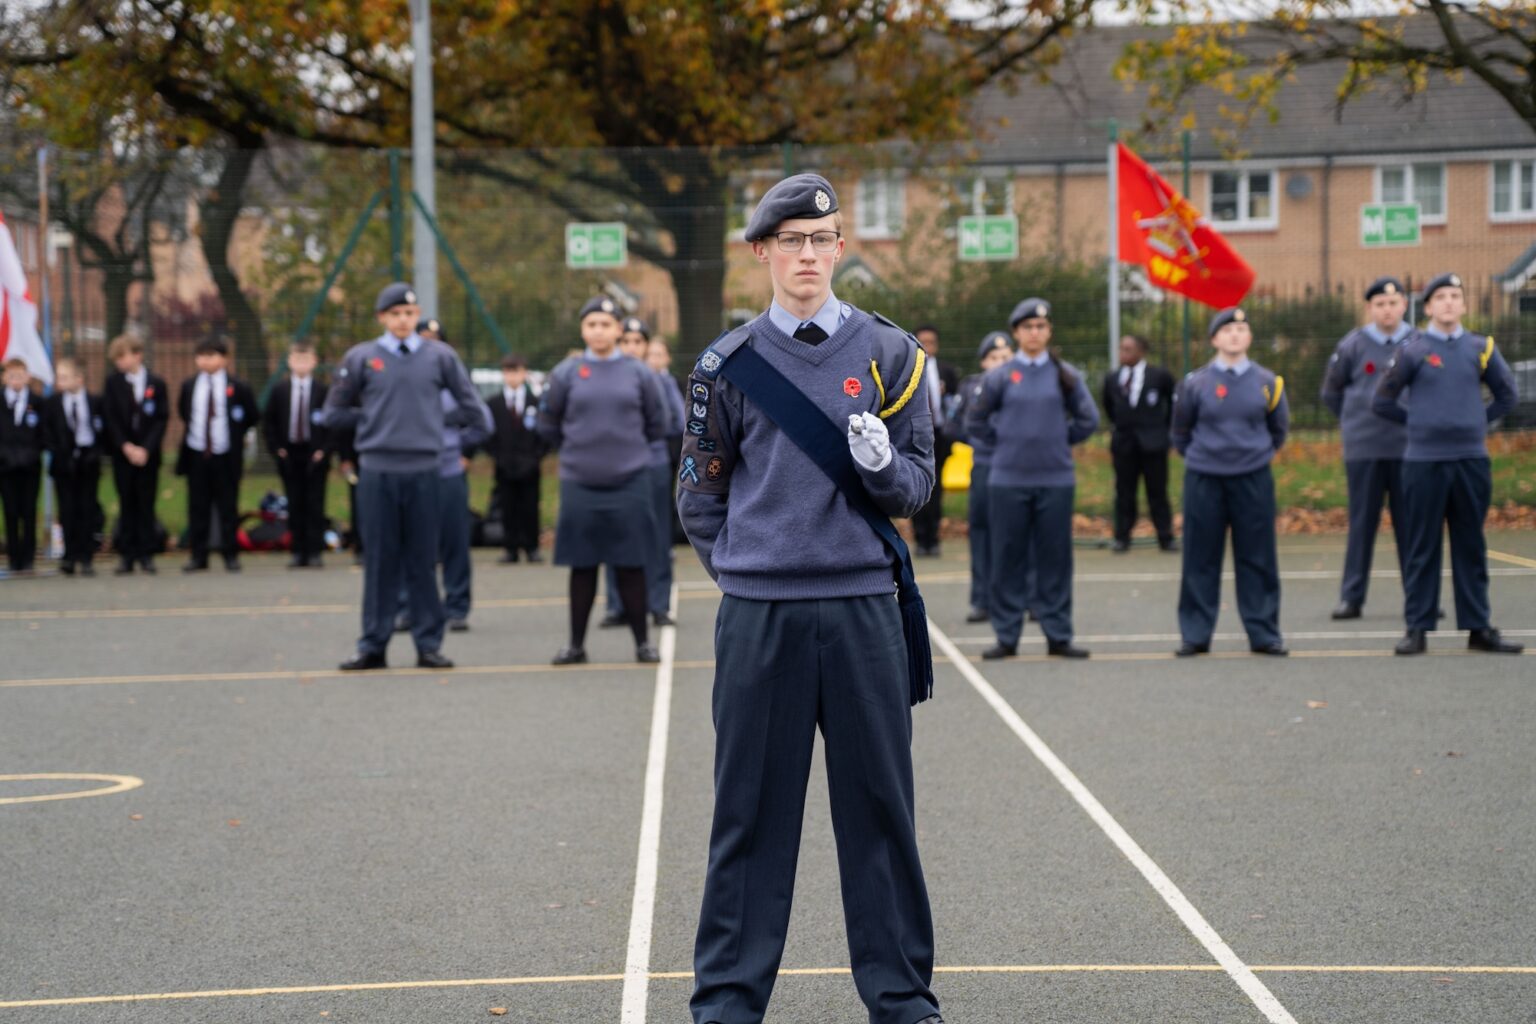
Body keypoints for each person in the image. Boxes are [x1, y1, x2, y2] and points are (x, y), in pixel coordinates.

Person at [677, 174, 943, 1024]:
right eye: (788, 241)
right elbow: (699, 494)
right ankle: (727, 1003)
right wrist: (753, 571)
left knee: (880, 816)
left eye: (819, 241)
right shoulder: (724, 365)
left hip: (865, 608)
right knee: (749, 819)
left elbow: (916, 487)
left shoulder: (892, 354)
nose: (805, 256)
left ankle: (902, 999)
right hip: (761, 616)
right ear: (763, 251)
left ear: (838, 250)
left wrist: (879, 469)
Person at [322, 281, 485, 671]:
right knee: (379, 558)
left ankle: (428, 643)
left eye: (409, 314)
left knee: (423, 558)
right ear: (382, 317)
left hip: (425, 471)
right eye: (395, 314)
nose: (402, 320)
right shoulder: (362, 357)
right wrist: (375, 421)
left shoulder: (439, 357)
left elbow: (474, 411)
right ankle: (373, 644)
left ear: (417, 316)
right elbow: (333, 413)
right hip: (378, 471)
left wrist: (440, 431)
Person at [1373, 272, 1522, 656]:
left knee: (1471, 545)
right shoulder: (1413, 350)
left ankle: (1478, 628)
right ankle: (1417, 628)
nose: (1449, 303)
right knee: (1423, 546)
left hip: (1471, 460)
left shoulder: (1481, 347)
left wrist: (1476, 419)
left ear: (1464, 304)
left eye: (1456, 295)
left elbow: (1507, 394)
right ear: (1428, 307)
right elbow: (1383, 401)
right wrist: (1421, 423)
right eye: (1441, 296)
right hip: (1424, 462)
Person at [538, 296, 669, 665]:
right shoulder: (566, 373)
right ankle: (576, 645)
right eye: (592, 324)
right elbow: (549, 423)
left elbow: (655, 422)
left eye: (606, 324)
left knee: (632, 563)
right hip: (580, 482)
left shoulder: (638, 372)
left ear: (617, 330)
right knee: (582, 566)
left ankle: (642, 642)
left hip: (630, 482)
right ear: (583, 329)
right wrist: (579, 450)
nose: (599, 331)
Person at [965, 298, 1098, 660]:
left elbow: (1088, 418)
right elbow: (976, 420)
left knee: (1055, 557)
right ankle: (1006, 636)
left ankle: (1058, 634)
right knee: (1008, 556)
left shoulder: (1064, 374)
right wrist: (1006, 442)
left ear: (1049, 331)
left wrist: (1058, 439)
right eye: (1027, 328)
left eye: (1040, 327)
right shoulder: (1001, 376)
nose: (1034, 333)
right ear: (1017, 333)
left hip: (1055, 479)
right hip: (1008, 480)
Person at [1171, 307, 1290, 657]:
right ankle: (1195, 634)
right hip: (1205, 479)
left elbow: (1278, 430)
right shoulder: (1195, 383)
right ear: (1214, 338)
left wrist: (1254, 455)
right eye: (1227, 329)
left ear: (1249, 336)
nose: (1235, 335)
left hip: (1252, 479)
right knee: (1200, 557)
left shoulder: (1269, 382)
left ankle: (1264, 632)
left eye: (1241, 328)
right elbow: (1180, 432)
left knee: (1258, 557)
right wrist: (1204, 457)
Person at [1318, 277, 1413, 618]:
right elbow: (1331, 393)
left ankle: (1417, 595)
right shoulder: (1352, 345)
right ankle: (1352, 597)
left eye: (1393, 303)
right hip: (1365, 450)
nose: (1387, 310)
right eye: (1379, 304)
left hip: (1409, 449)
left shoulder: (1418, 343)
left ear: (1404, 304)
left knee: (1411, 526)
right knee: (1362, 523)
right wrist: (1355, 422)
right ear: (1370, 308)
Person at [394, 318, 495, 634]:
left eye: (436, 339)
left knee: (454, 541)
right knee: (410, 542)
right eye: (424, 339)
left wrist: (457, 448)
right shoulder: (401, 379)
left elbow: (482, 423)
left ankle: (456, 608)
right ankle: (408, 607)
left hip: (447, 471)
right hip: (409, 471)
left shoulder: (456, 382)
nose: (431, 346)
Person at [603, 316, 684, 628]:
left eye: (638, 342)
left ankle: (658, 603)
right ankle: (617, 604)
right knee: (617, 534)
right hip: (614, 468)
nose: (632, 347)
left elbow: (677, 420)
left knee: (656, 535)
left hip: (651, 466)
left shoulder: (660, 381)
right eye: (627, 342)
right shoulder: (606, 377)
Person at [176, 337, 258, 573]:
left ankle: (230, 554)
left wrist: (236, 435)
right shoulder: (190, 385)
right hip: (197, 453)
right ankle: (198, 555)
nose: (206, 360)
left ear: (224, 359)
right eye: (201, 356)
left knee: (227, 507)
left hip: (225, 455)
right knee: (197, 506)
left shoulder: (238, 386)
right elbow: (184, 412)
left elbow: (251, 414)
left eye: (211, 355)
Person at [953, 330, 1013, 623]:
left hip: (1019, 468)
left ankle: (1025, 599)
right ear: (984, 362)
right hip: (986, 465)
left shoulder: (1023, 384)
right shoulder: (972, 388)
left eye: (1005, 357)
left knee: (1020, 534)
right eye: (994, 358)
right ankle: (983, 600)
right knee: (982, 532)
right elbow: (956, 425)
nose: (1000, 362)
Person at [1102, 333, 1177, 553]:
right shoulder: (1112, 378)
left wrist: (1165, 432)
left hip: (1153, 444)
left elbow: (1173, 404)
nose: (1123, 353)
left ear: (1141, 351)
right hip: (1124, 445)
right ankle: (1122, 536)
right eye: (1121, 348)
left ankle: (1165, 536)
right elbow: (1109, 406)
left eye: (1128, 349)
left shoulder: (1159, 376)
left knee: (1157, 491)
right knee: (1124, 491)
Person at [102, 334, 169, 575]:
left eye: (123, 356)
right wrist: (126, 446)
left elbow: (161, 418)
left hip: (148, 455)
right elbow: (110, 418)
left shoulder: (156, 383)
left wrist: (146, 448)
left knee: (145, 503)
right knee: (127, 502)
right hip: (124, 455)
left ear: (137, 355)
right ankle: (127, 555)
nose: (119, 362)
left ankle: (147, 553)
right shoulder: (113, 383)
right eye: (116, 359)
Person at [262, 341, 330, 568]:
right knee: (295, 502)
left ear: (314, 362)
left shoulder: (323, 391)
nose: (301, 364)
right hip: (289, 453)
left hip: (315, 454)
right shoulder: (279, 390)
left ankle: (315, 551)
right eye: (297, 359)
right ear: (289, 362)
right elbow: (269, 422)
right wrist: (277, 448)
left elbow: (332, 424)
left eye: (306, 359)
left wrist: (324, 449)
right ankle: (297, 550)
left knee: (315, 503)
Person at [42, 357, 105, 576]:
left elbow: (102, 432)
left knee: (86, 509)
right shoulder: (52, 403)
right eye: (59, 377)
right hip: (63, 463)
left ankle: (86, 557)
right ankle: (69, 556)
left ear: (79, 378)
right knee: (67, 510)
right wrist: (59, 452)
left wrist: (94, 454)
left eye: (64, 377)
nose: (60, 381)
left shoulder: (95, 401)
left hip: (88, 461)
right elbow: (47, 432)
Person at [488, 353, 546, 564]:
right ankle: (510, 547)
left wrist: (536, 456)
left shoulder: (535, 402)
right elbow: (488, 434)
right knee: (508, 507)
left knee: (530, 506)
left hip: (530, 465)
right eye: (508, 372)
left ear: (524, 373)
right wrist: (498, 456)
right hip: (504, 465)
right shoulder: (493, 404)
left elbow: (544, 434)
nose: (512, 377)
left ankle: (532, 547)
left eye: (517, 371)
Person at [909, 324, 957, 556]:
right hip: (916, 436)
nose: (927, 347)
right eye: (923, 342)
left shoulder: (947, 372)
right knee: (918, 484)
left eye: (931, 342)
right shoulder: (908, 368)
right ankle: (920, 538)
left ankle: (934, 537)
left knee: (937, 488)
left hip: (939, 436)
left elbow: (957, 406)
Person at [0, 358, 43, 573]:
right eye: (11, 375)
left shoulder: (36, 402)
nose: (16, 380)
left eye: (20, 375)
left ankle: (28, 558)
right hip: (6, 468)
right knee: (10, 511)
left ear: (27, 377)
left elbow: (43, 434)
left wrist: (31, 454)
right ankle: (13, 557)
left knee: (28, 512)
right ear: (4, 378)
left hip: (30, 467)